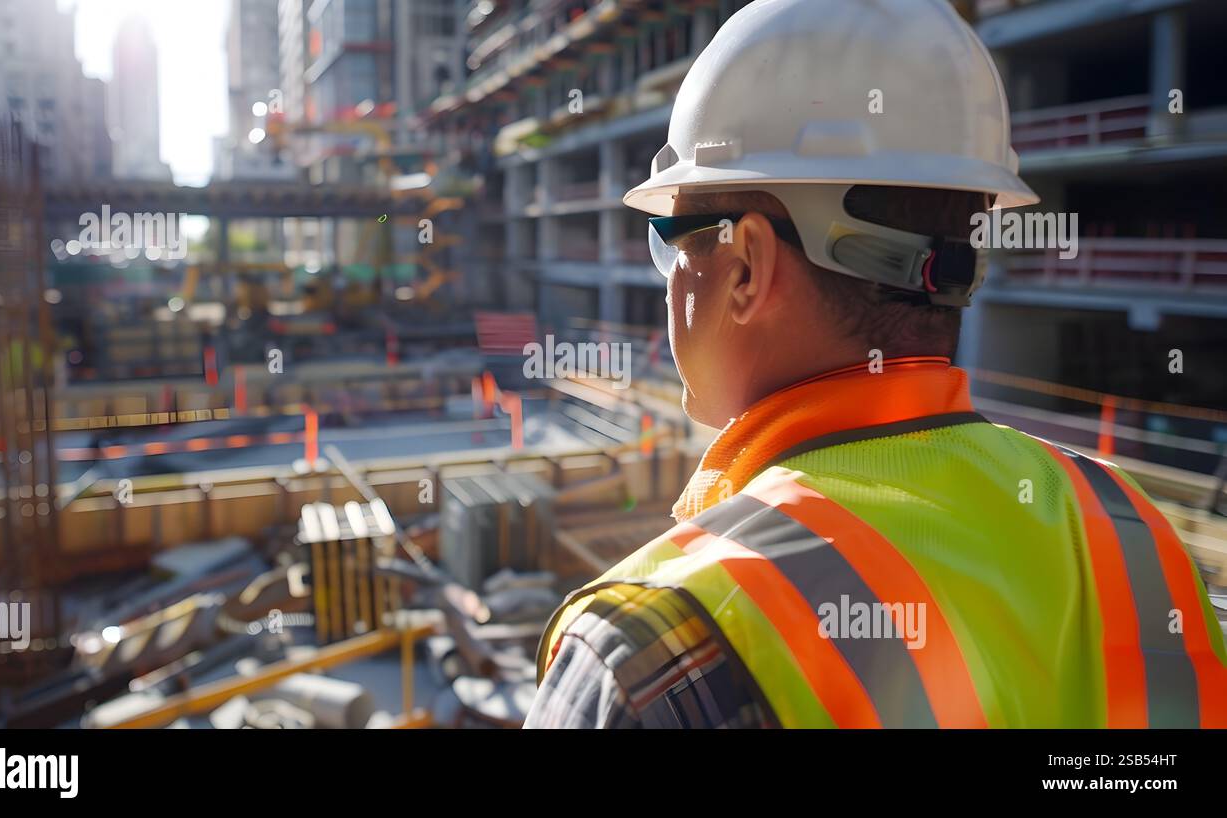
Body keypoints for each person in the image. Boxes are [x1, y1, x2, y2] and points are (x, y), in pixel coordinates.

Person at [524, 0, 1226, 728]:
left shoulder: (651, 650)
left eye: (672, 242)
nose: (668, 277)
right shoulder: (1134, 535)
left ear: (746, 269)